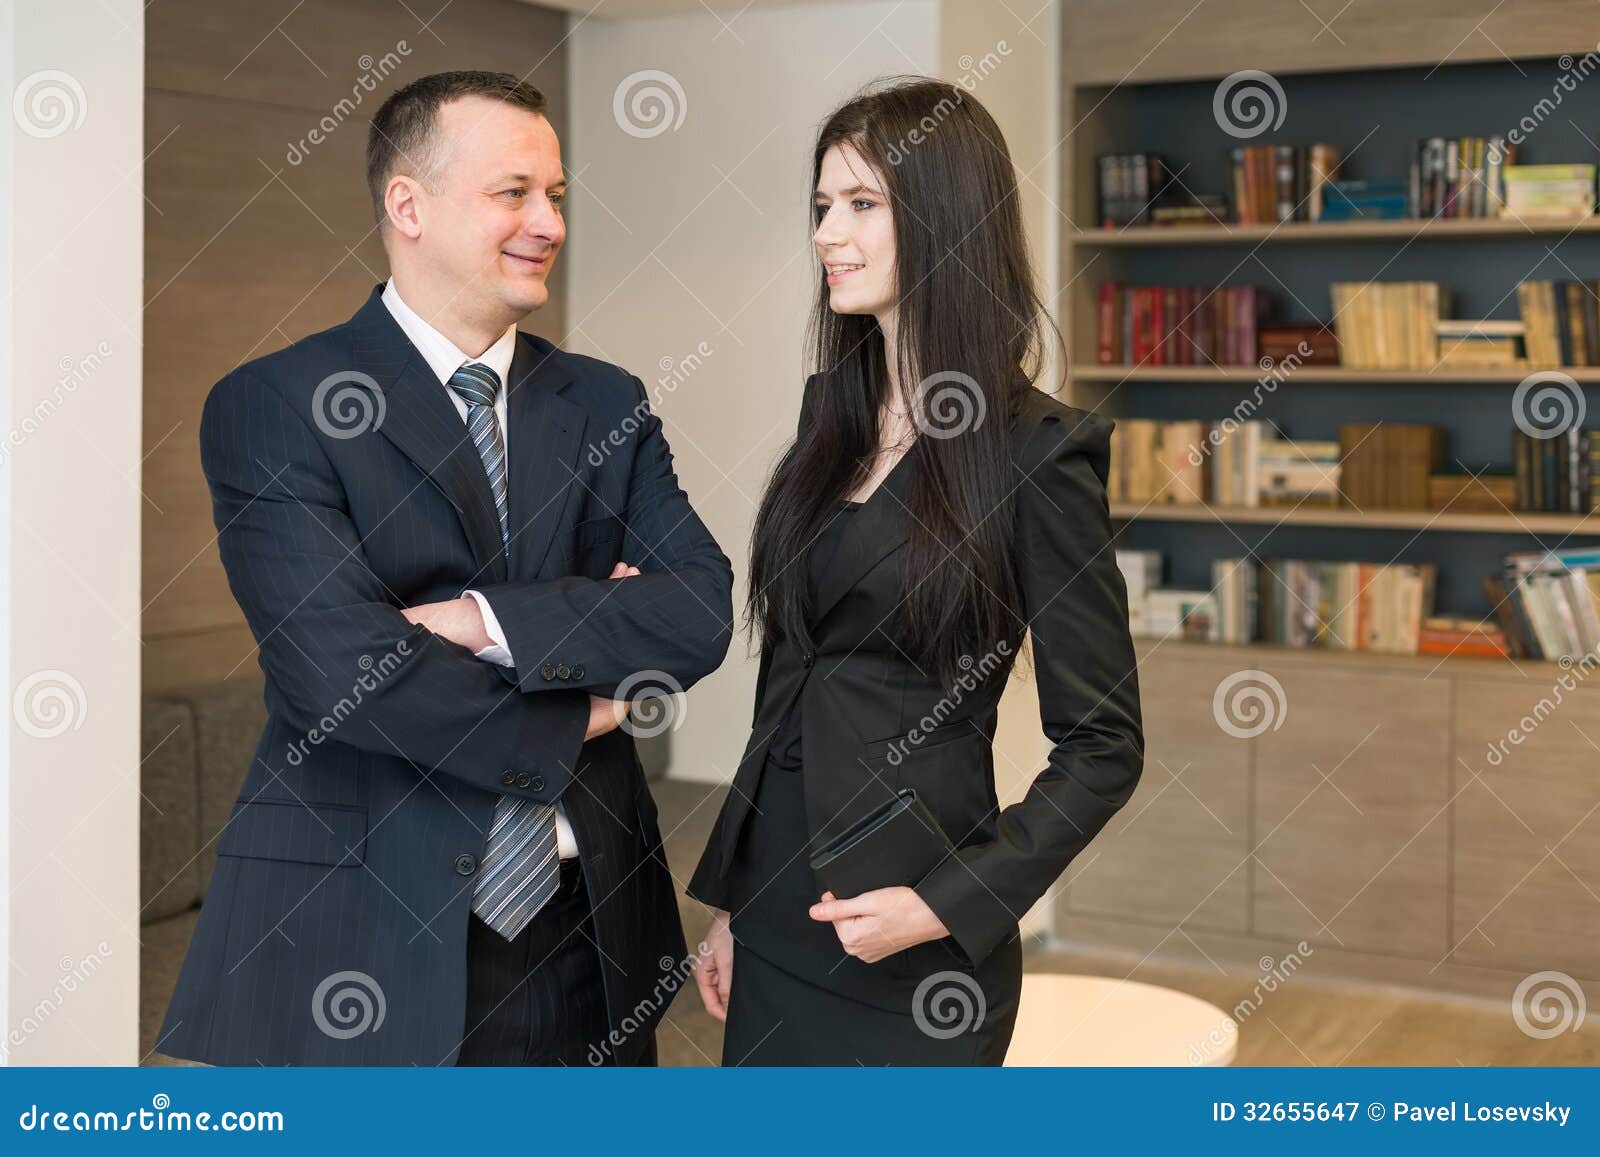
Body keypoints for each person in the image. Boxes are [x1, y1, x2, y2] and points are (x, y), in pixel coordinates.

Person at [158, 71, 733, 1067]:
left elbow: (698, 613)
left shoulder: (605, 402)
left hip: (591, 926)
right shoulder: (278, 402)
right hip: (362, 923)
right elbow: (338, 673)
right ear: (406, 205)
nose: (547, 222)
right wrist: (572, 695)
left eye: (555, 194)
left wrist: (475, 619)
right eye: (513, 192)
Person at [687, 77, 1145, 1066]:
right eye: (819, 206)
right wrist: (733, 898)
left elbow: (1104, 744)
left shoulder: (1037, 449)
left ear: (943, 219)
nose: (824, 234)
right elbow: (788, 681)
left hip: (915, 945)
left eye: (859, 205)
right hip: (777, 914)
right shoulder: (832, 423)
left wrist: (948, 901)